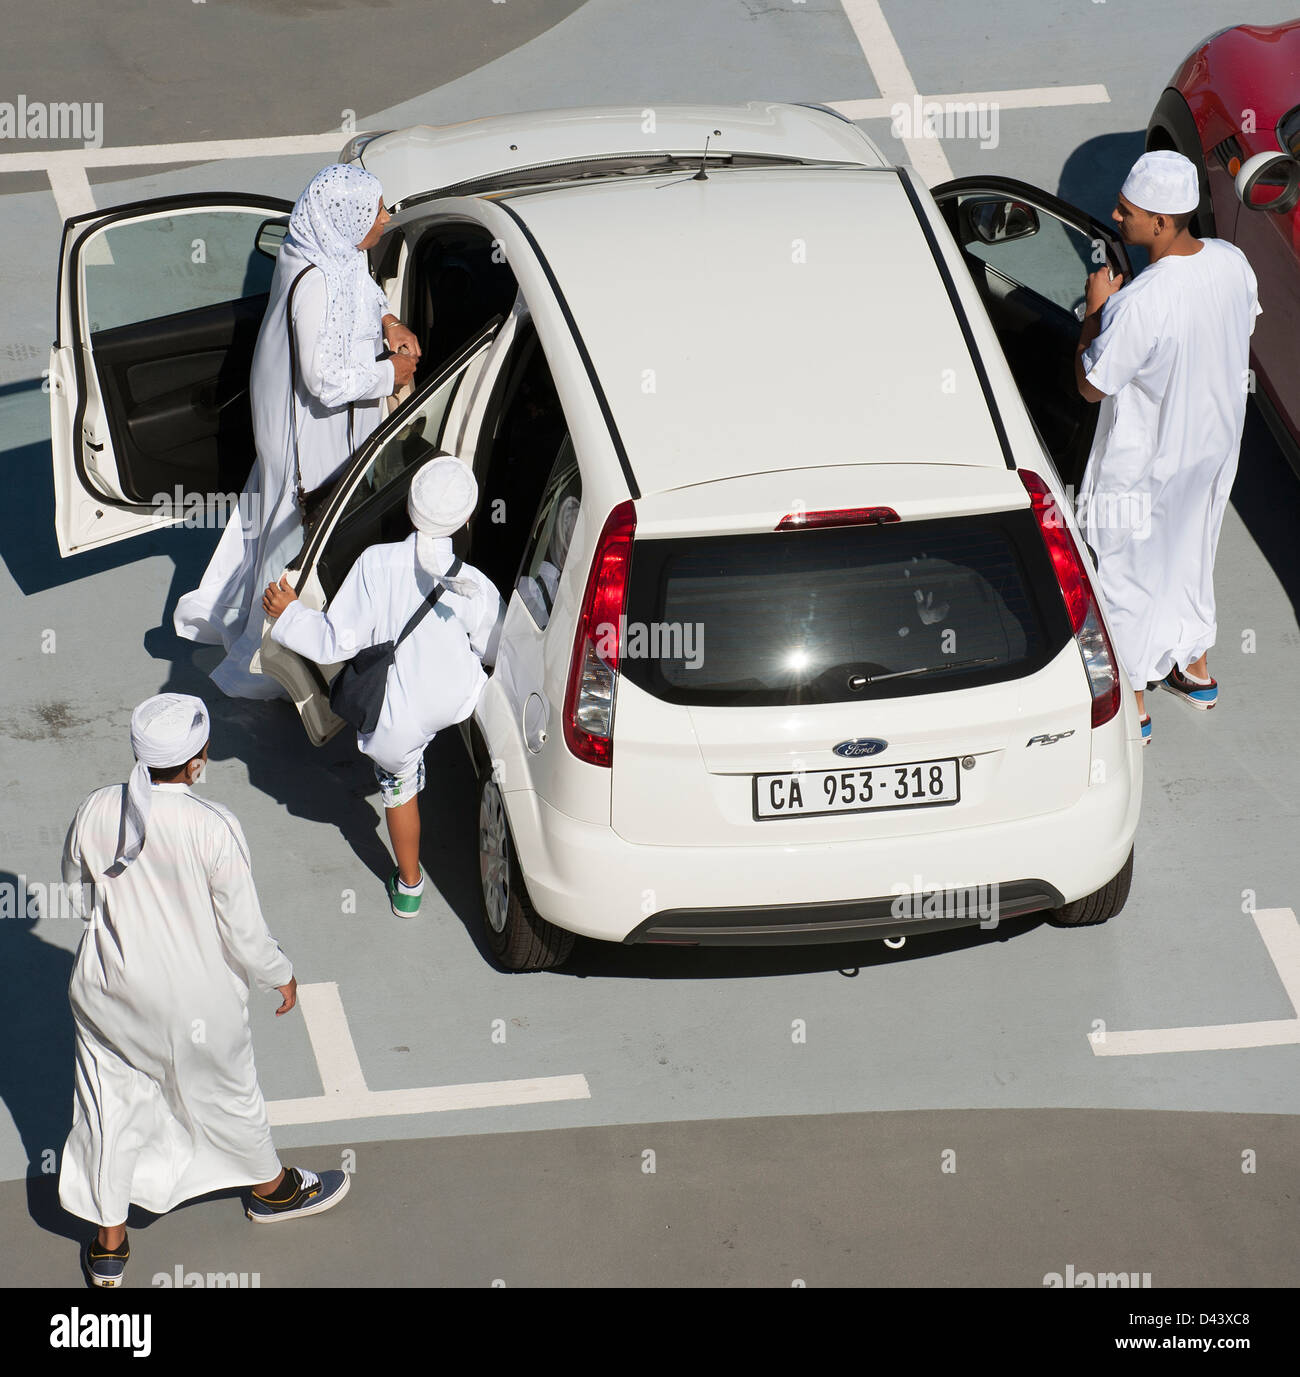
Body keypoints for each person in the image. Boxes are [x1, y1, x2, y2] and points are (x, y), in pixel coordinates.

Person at [59, 694, 349, 1288]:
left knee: (111, 1106)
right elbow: (244, 935)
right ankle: (270, 1191)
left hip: (110, 997)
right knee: (228, 1094)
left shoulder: (95, 810)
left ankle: (110, 1245)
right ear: (196, 760)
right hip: (199, 1006)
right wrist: (281, 972)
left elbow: (76, 891)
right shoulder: (215, 827)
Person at [174, 164, 421, 699]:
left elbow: (362, 289)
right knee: (296, 531)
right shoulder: (312, 283)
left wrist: (388, 322)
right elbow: (323, 378)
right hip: (305, 434)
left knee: (303, 523)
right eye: (377, 211)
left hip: (319, 425)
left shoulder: (338, 251)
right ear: (347, 218)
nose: (386, 218)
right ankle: (273, 651)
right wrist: (389, 374)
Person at [262, 457, 504, 918]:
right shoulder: (473, 585)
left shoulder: (375, 563)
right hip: (454, 697)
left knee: (400, 790)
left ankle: (409, 887)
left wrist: (289, 612)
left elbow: (336, 641)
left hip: (397, 716)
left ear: (410, 508)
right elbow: (495, 646)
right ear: (468, 518)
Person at [1074, 149, 1261, 745]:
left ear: (1159, 223)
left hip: (1145, 464)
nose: (1114, 214)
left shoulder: (1139, 303)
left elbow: (1088, 385)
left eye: (1125, 211)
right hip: (1212, 450)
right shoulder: (1232, 262)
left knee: (1126, 575)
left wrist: (1097, 309)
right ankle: (1194, 670)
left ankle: (1134, 706)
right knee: (1191, 554)